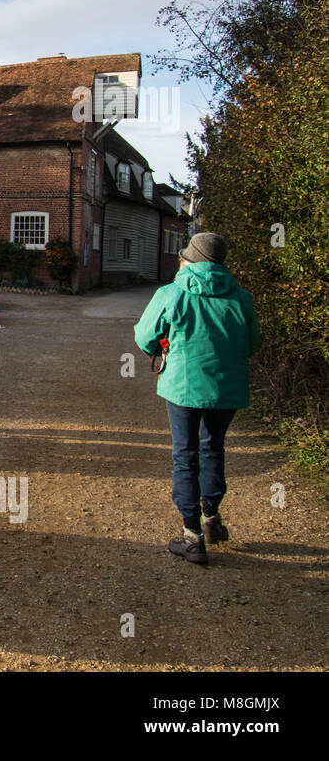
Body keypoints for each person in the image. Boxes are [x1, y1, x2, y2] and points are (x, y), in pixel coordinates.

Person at [133, 232, 260, 566]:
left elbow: (145, 336)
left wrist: (158, 349)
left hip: (182, 387)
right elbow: (252, 344)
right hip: (226, 389)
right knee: (213, 447)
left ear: (190, 260)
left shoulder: (171, 293)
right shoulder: (241, 297)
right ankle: (211, 516)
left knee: (185, 454)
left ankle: (192, 537)